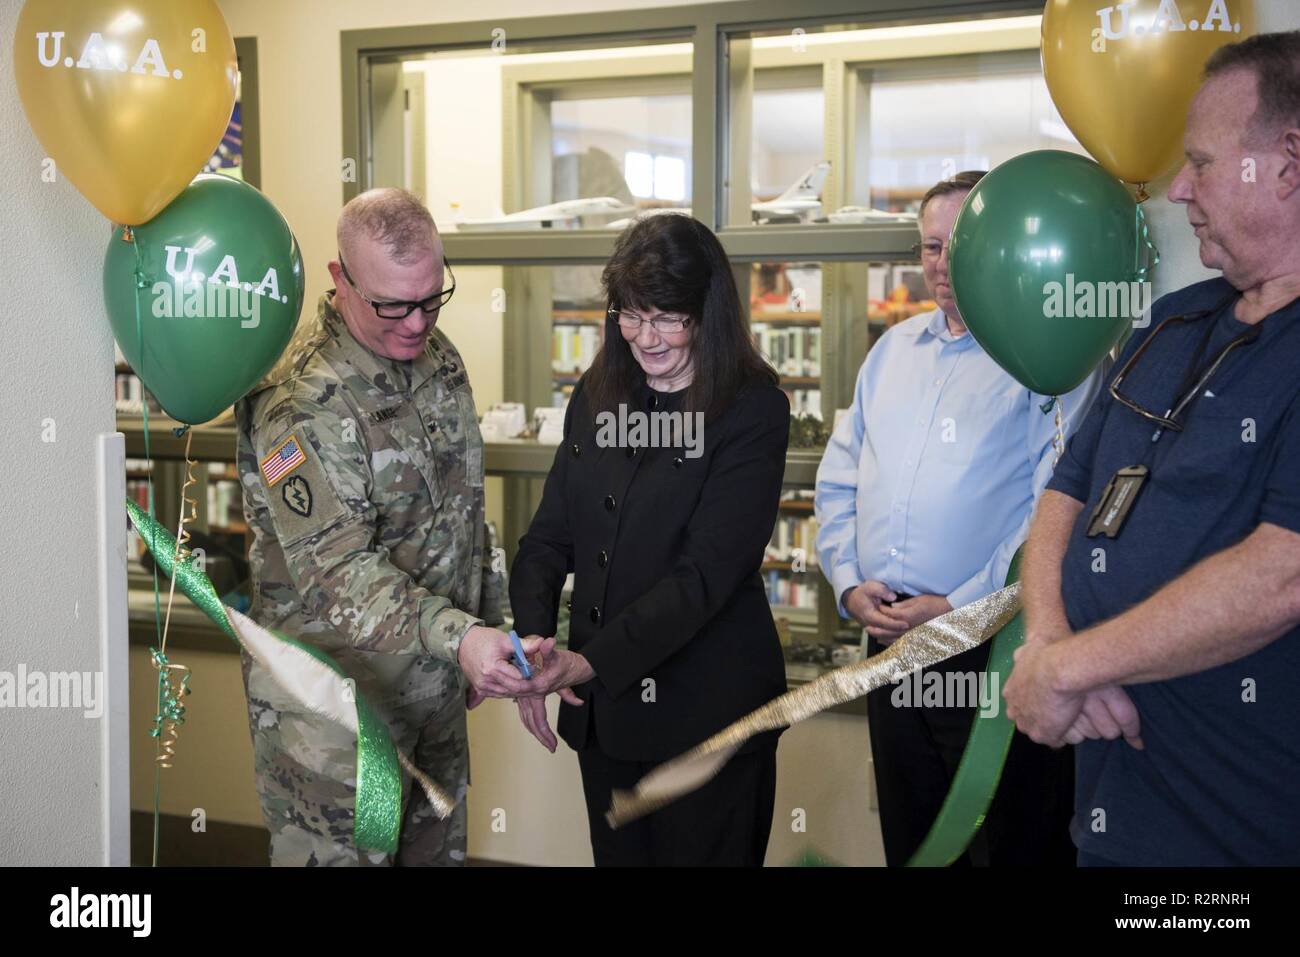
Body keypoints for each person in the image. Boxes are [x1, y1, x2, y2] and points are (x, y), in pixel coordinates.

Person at [1004, 32, 1300, 866]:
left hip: (1249, 836)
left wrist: (1066, 671)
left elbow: (1282, 574)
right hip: (1114, 823)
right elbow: (1064, 493)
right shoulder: (1168, 323)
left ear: (1287, 163)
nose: (1177, 188)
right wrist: (1048, 643)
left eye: (1201, 162)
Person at [814, 171, 1107, 866]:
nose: (943, 265)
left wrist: (958, 604)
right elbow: (839, 476)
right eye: (930, 247)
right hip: (888, 641)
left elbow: (1050, 510)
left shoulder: (1047, 357)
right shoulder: (890, 352)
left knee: (1003, 843)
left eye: (961, 245)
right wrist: (848, 581)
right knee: (912, 838)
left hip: (990, 647)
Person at [235, 188, 535, 866]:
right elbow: (338, 573)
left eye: (432, 298)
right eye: (392, 305)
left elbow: (464, 514)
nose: (415, 323)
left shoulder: (438, 358)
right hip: (342, 727)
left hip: (434, 700)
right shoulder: (298, 401)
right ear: (341, 279)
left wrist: (496, 629)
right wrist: (463, 637)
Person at [503, 215, 791, 866]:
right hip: (608, 724)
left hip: (710, 721)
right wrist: (533, 644)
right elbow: (549, 536)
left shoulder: (753, 409)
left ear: (706, 312)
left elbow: (704, 578)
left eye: (666, 317)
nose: (645, 336)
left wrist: (590, 661)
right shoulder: (598, 394)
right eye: (631, 314)